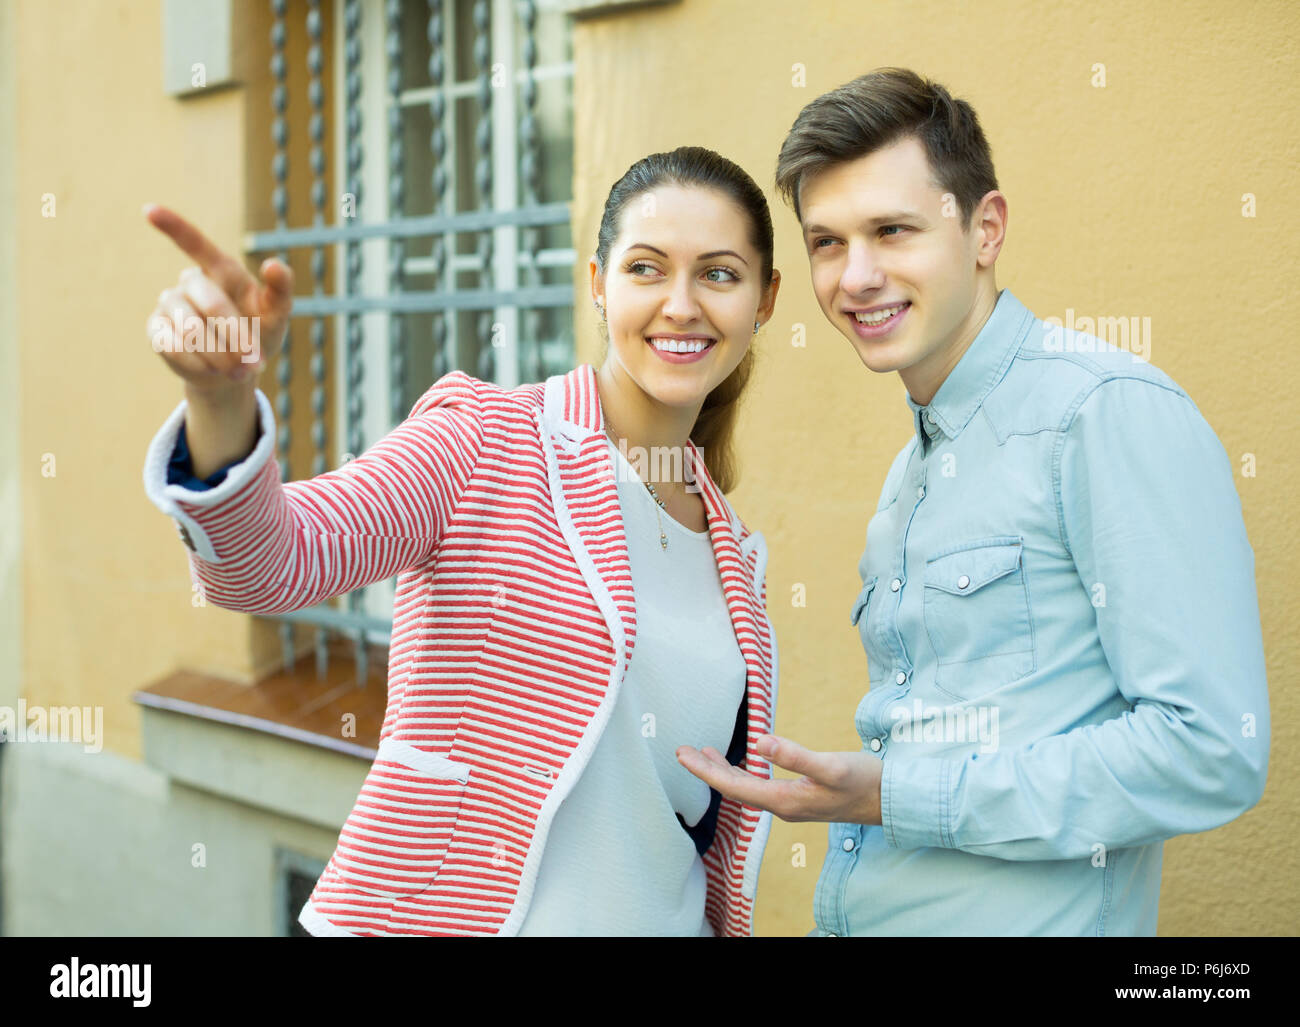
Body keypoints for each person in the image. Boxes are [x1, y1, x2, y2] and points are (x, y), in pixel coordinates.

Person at [676, 67, 1270, 935]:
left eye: (892, 230)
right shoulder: (916, 464)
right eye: (828, 242)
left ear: (985, 228)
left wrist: (900, 794)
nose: (857, 276)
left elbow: (1209, 748)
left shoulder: (1102, 414)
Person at [140, 144, 782, 936]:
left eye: (718, 274)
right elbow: (274, 562)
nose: (681, 304)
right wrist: (220, 402)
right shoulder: (488, 440)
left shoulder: (736, 555)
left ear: (764, 300)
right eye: (646, 268)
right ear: (596, 284)